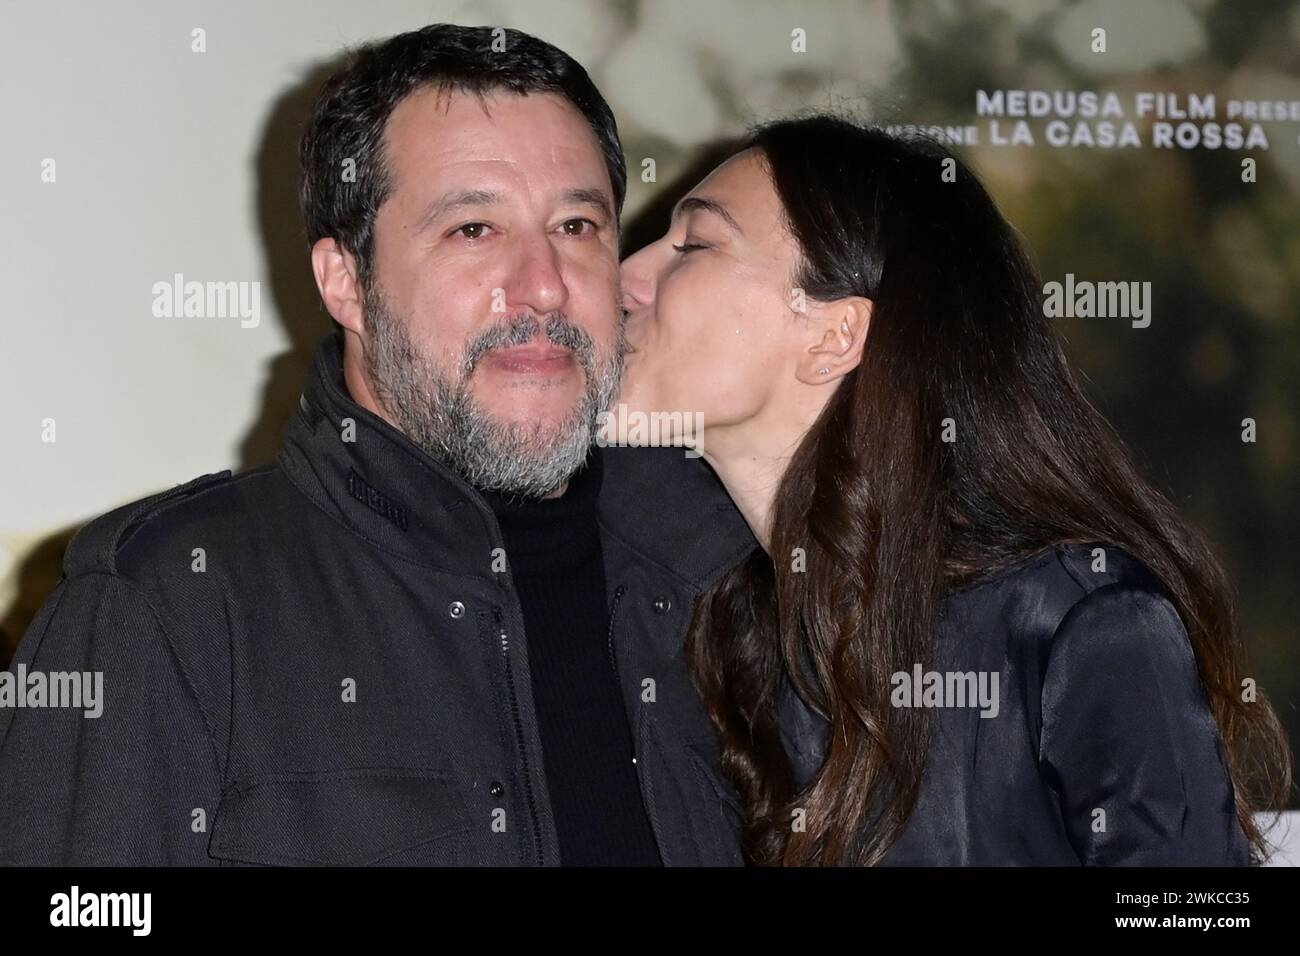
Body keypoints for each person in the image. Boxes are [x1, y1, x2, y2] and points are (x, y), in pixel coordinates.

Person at [0, 24, 755, 866]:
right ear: (346, 283)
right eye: (474, 229)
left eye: (578, 225)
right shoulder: (168, 605)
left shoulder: (724, 585)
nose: (544, 284)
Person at [616, 114, 1292, 866]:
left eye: (696, 243)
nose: (626, 276)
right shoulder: (726, 631)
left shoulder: (1078, 622)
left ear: (833, 336)